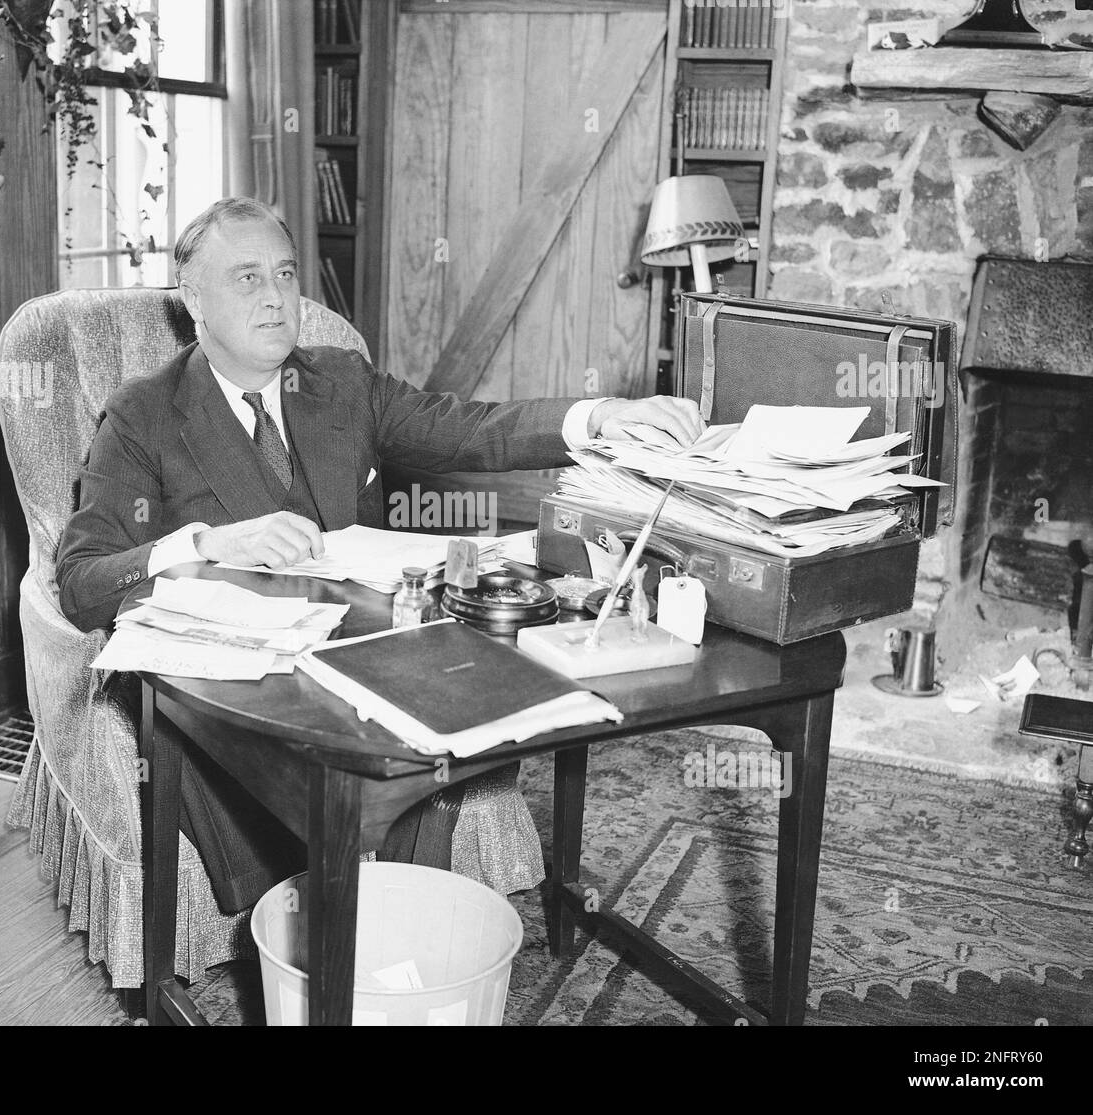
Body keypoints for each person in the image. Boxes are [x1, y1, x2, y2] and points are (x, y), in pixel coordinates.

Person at [55, 197, 704, 915]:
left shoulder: (342, 381)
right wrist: (205, 543)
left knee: (459, 717)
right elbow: (82, 581)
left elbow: (470, 429)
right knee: (320, 807)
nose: (275, 298)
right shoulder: (143, 413)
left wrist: (601, 416)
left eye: (286, 273)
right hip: (239, 687)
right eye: (246, 279)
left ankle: (397, 936)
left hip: (367, 654)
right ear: (193, 301)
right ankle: (321, 923)